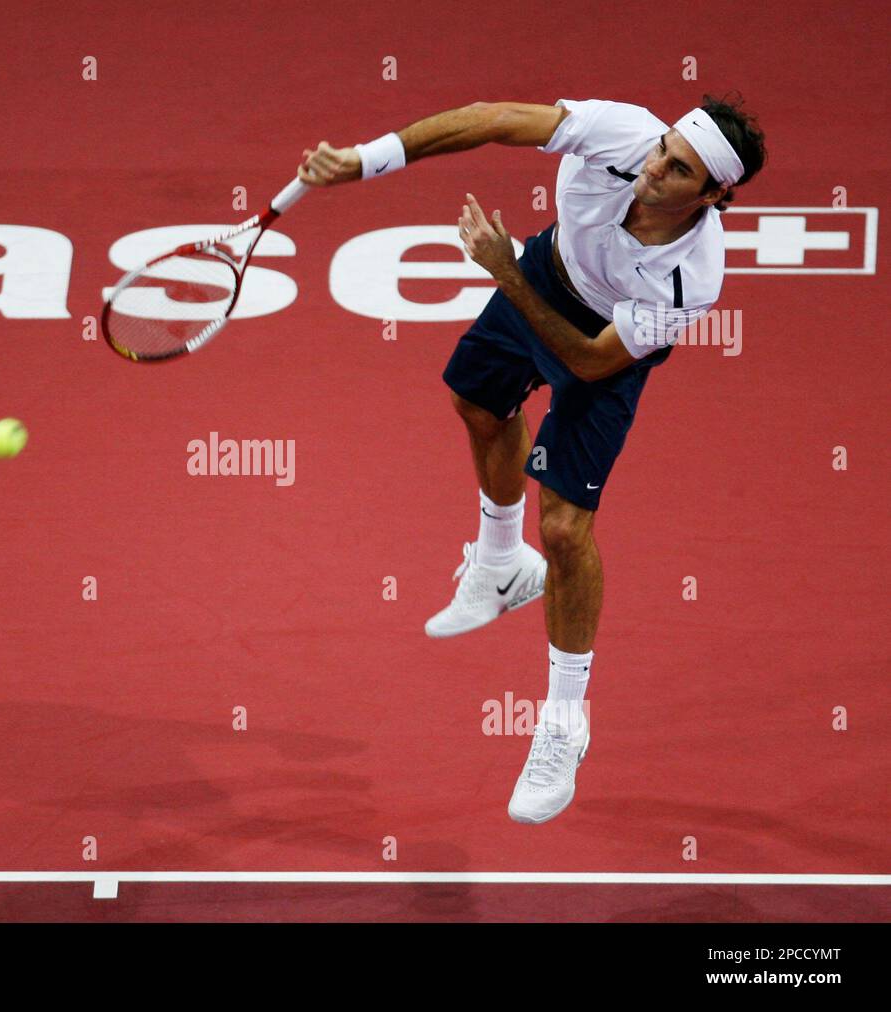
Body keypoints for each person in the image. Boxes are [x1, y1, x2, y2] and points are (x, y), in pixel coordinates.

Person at [297, 95, 766, 823]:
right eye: (662, 148)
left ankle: (563, 723)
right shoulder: (623, 134)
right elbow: (490, 119)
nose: (654, 168)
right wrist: (367, 160)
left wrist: (502, 270)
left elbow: (585, 360)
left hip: (603, 338)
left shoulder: (690, 277)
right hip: (548, 272)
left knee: (567, 531)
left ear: (713, 196)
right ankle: (500, 566)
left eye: (678, 170)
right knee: (478, 406)